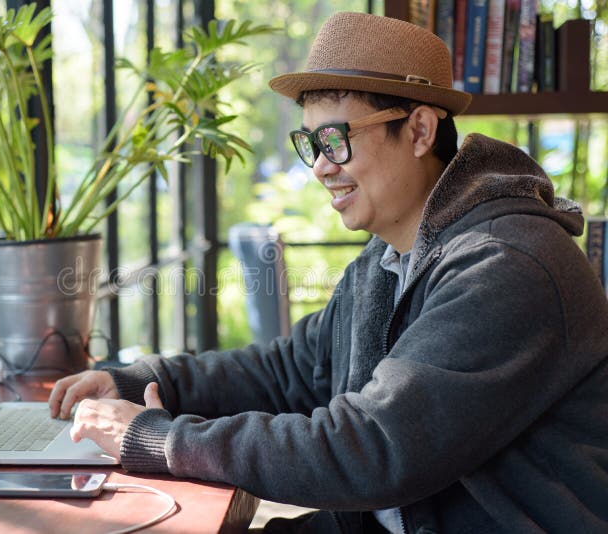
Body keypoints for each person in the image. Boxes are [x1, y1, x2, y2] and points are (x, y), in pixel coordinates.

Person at [48, 12, 608, 533]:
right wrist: (144, 380)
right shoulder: (388, 260)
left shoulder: (506, 263)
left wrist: (159, 439)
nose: (320, 167)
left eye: (336, 139)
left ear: (418, 131)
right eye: (309, 143)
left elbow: (371, 446)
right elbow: (288, 372)